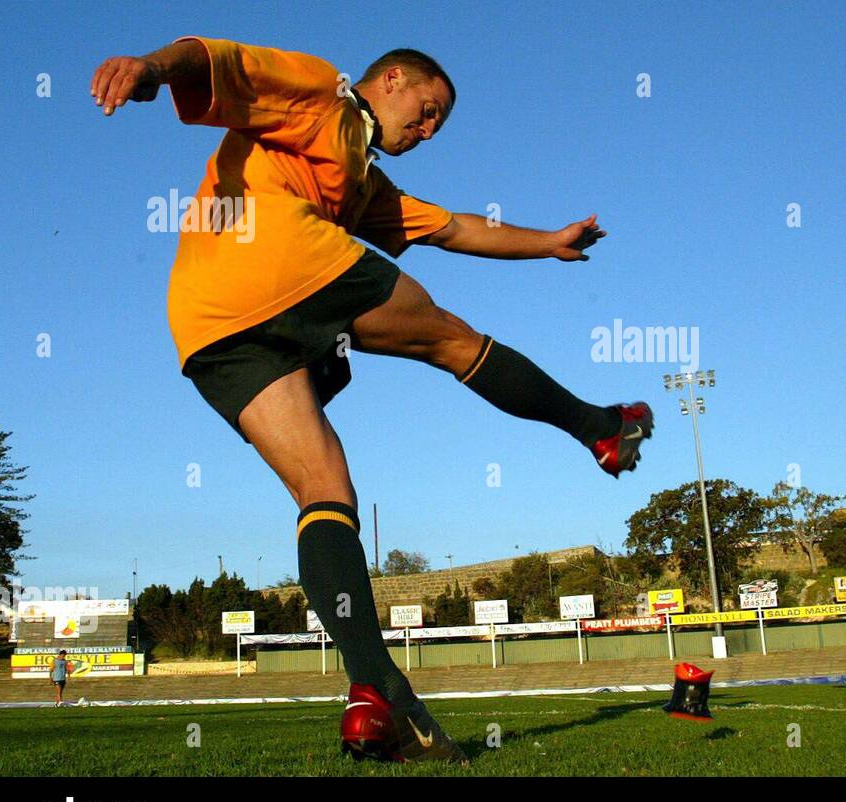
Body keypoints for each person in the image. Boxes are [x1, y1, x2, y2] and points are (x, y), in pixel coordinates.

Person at [91, 38, 653, 763]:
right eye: (426, 113)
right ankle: (599, 428)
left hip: (206, 323)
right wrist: (150, 69)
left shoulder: (364, 186)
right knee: (451, 340)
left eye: (436, 128)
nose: (426, 133)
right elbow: (217, 61)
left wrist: (547, 241)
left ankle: (370, 688)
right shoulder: (321, 93)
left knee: (324, 489)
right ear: (390, 79)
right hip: (275, 257)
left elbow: (453, 227)